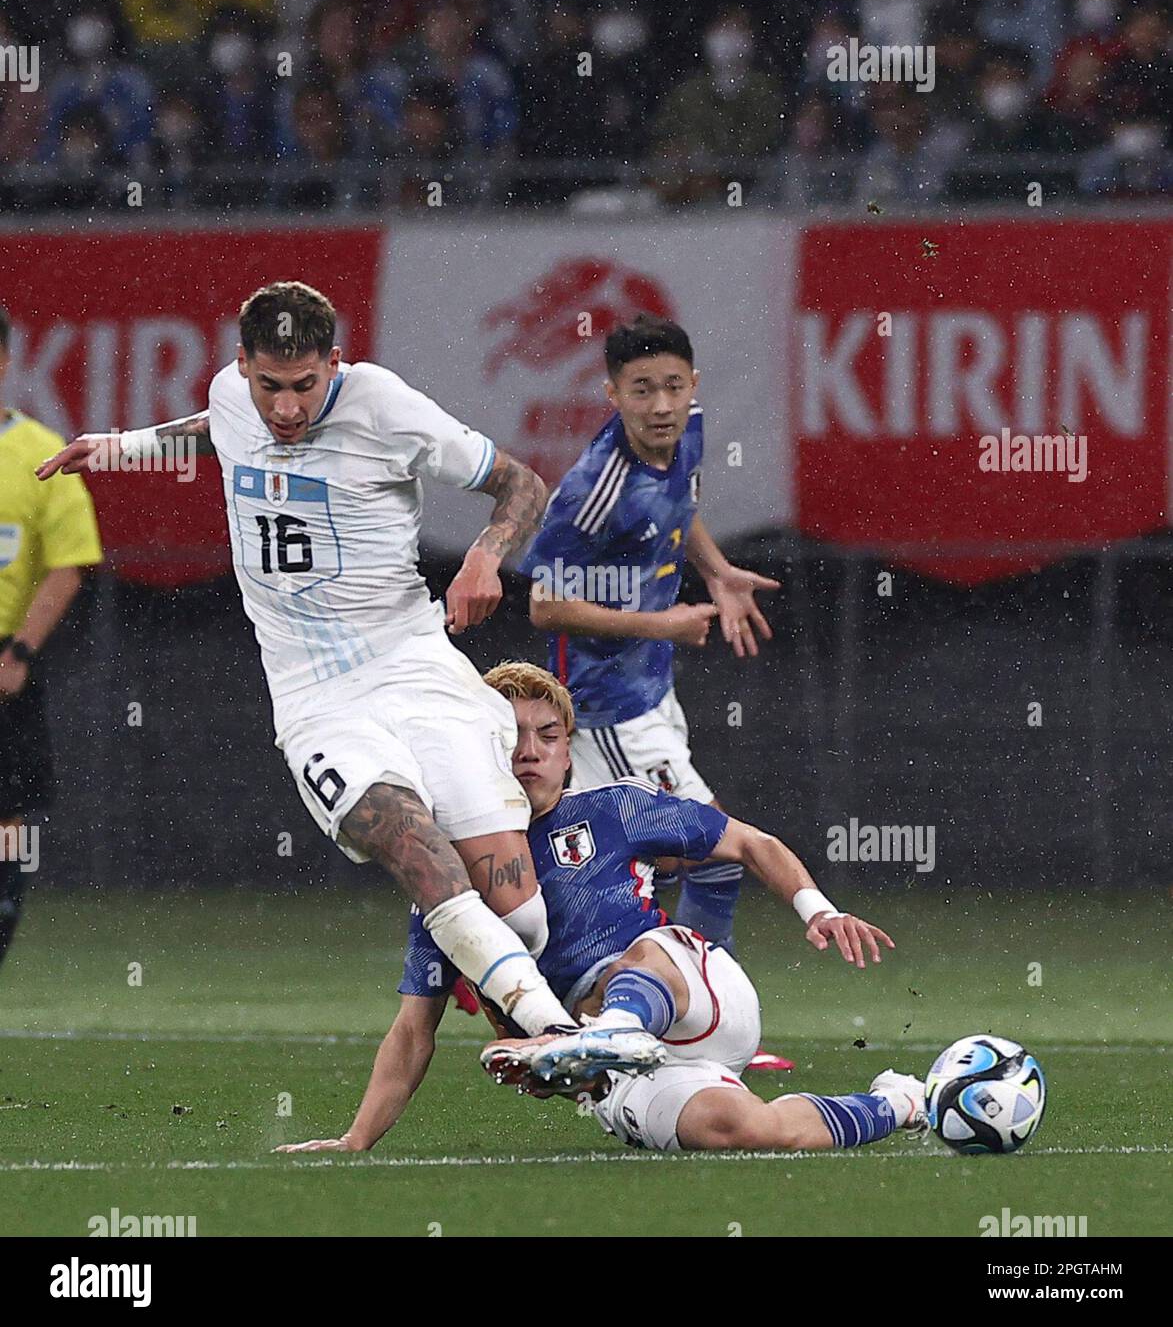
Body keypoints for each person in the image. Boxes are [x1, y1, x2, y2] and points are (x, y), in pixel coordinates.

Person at [35, 281, 654, 1077]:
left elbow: (521, 484)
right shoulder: (233, 396)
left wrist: (482, 556)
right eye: (269, 387)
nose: (286, 408)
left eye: (304, 386)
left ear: (335, 362)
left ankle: (565, 1005)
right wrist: (120, 446)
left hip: (411, 661)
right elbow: (212, 429)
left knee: (521, 914)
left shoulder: (386, 408)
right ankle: (554, 1033)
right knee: (410, 845)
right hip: (314, 698)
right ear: (241, 368)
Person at [275, 662, 924, 1156]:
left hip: (693, 991)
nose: (528, 750)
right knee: (740, 1131)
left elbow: (749, 842)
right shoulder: (446, 885)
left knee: (630, 964)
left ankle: (612, 1031)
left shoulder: (615, 807)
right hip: (625, 1077)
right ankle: (900, 1101)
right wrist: (354, 1139)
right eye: (509, 735)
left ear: (567, 750)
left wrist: (817, 910)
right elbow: (414, 1031)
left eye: (548, 735)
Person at [516, 313, 790, 1071]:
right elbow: (543, 604)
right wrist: (660, 624)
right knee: (712, 852)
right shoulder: (592, 491)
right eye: (641, 391)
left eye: (672, 386)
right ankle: (704, 1021)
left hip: (648, 695)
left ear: (693, 386)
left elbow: (679, 509)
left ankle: (638, 1018)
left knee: (674, 859)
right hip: (602, 706)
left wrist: (717, 572)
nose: (661, 404)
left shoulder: (688, 430)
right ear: (612, 395)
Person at [0, 303, 103, 966]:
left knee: (6, 820)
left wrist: (18, 653)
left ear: (7, 361)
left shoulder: (40, 453)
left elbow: (68, 568)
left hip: (3, 665)